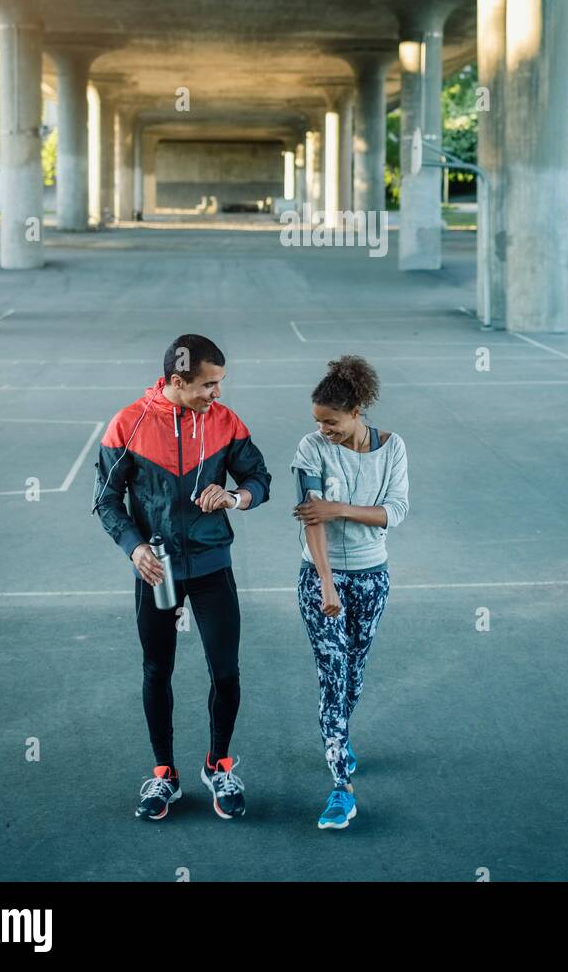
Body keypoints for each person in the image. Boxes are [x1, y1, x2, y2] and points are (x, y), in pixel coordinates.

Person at [92, 333, 271, 821]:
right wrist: (135, 548)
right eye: (209, 384)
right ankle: (164, 774)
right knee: (157, 670)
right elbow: (105, 500)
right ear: (177, 381)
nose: (218, 393)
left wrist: (235, 498)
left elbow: (260, 479)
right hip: (158, 571)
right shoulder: (127, 425)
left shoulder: (225, 422)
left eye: (220, 383)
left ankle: (218, 764)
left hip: (212, 565)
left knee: (227, 671)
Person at [291, 354, 409, 830]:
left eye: (332, 422)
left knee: (353, 673)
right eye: (318, 422)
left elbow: (395, 511)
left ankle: (339, 732)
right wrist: (326, 584)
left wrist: (338, 507)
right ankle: (341, 788)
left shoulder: (394, 447)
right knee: (333, 675)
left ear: (357, 410)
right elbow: (310, 519)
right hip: (322, 580)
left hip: (373, 576)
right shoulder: (311, 448)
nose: (324, 431)